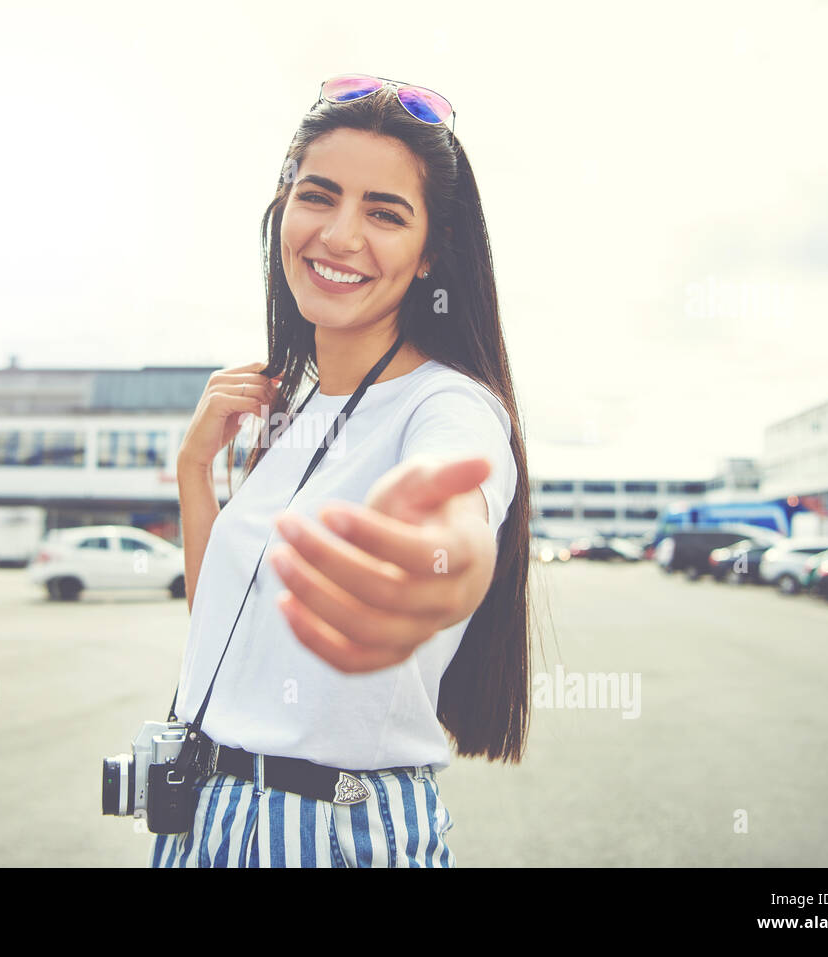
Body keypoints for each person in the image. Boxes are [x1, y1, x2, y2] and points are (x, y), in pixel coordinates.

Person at [151, 75, 533, 868]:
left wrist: (438, 563)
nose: (340, 234)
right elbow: (225, 627)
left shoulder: (449, 404)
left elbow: (455, 502)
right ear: (282, 210)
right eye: (318, 196)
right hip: (204, 819)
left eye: (385, 213)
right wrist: (196, 472)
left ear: (430, 255)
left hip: (329, 830)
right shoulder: (291, 408)